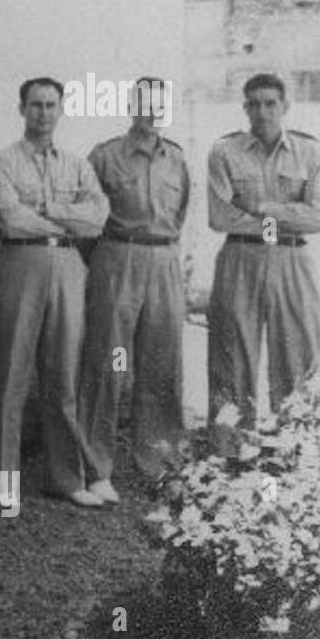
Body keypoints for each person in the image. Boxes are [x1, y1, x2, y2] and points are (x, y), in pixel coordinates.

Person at [0, 78, 108, 506]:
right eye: (35, 104)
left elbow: (96, 219)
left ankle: (66, 478)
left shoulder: (77, 164)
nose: (42, 112)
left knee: (62, 375)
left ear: (61, 110)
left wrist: (50, 211)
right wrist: (67, 220)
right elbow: (11, 219)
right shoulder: (1, 162)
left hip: (68, 267)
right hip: (20, 263)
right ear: (22, 109)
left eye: (50, 105)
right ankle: (1, 483)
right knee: (10, 375)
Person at [79, 80, 189, 499]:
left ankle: (160, 464)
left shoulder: (176, 159)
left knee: (161, 364)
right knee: (110, 361)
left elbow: (179, 215)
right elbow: (89, 220)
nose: (152, 112)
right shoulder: (105, 156)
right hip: (118, 260)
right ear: (131, 107)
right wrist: (111, 260)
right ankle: (96, 466)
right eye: (144, 104)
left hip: (163, 262)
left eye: (159, 105)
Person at [207, 72, 320, 421]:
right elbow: (221, 217)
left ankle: (294, 444)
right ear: (244, 108)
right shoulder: (224, 151)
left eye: (270, 103)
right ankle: (230, 447)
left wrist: (262, 208)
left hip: (291, 258)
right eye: (254, 104)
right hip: (241, 255)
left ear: (285, 106)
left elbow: (317, 216)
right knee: (232, 351)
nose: (263, 111)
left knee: (297, 351)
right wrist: (288, 213)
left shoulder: (310, 151)